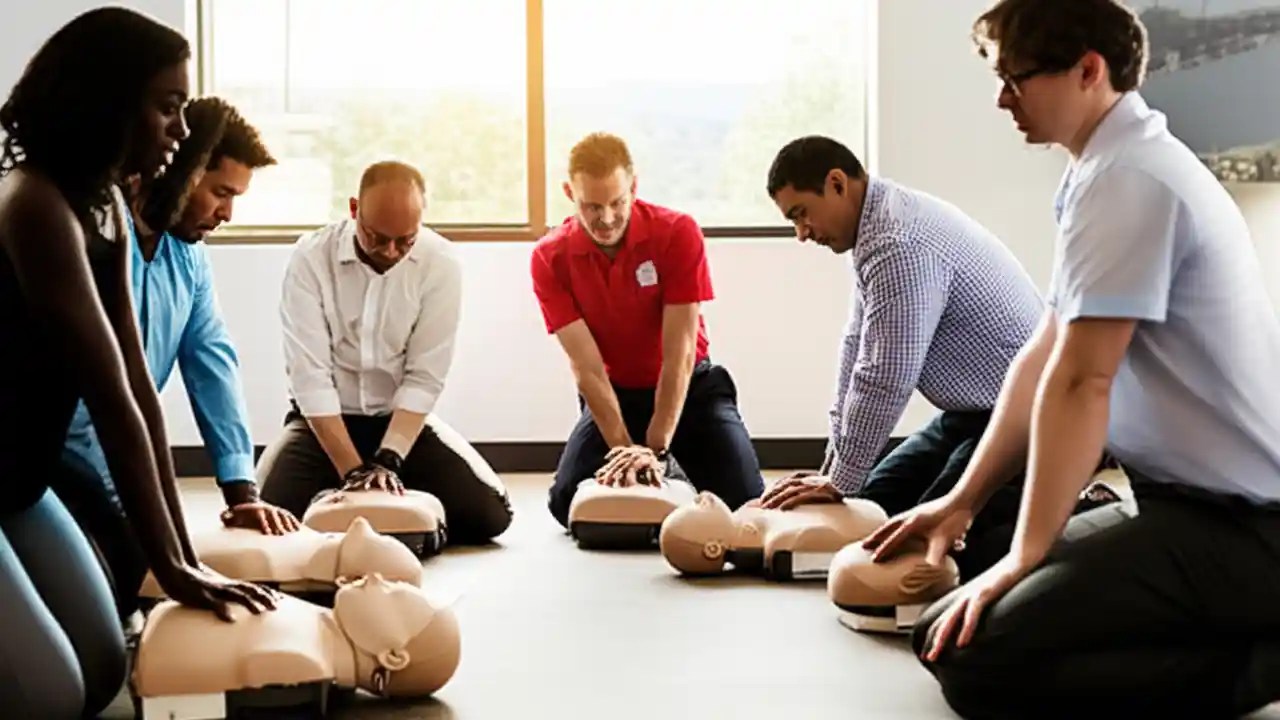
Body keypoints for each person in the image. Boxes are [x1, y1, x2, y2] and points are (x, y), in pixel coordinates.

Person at [861, 1, 1280, 717]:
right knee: (942, 629)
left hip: (1247, 531)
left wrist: (1026, 555)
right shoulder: (1104, 169)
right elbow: (1042, 356)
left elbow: (1083, 381)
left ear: (1089, 70)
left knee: (972, 658)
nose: (1002, 99)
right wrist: (961, 501)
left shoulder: (1132, 180)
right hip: (1177, 506)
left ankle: (1262, 662)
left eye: (1016, 80)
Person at [0, 8, 276, 718]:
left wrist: (184, 557)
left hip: (20, 483)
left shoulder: (105, 210)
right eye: (168, 107)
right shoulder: (32, 205)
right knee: (52, 696)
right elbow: (109, 398)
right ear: (107, 99)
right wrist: (170, 568)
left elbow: (138, 395)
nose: (180, 133)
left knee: (101, 669)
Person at [55, 95, 298, 623]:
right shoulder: (92, 227)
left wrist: (240, 488)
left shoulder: (190, 257)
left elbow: (212, 360)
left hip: (119, 457)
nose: (227, 213)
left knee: (144, 565)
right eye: (220, 192)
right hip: (51, 455)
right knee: (123, 575)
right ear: (183, 170)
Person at [258, 160, 513, 543]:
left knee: (491, 514)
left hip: (399, 426)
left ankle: (390, 498)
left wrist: (388, 459)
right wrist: (355, 474)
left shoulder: (440, 262)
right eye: (378, 238)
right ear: (353, 210)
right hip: (322, 426)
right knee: (266, 511)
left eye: (405, 240)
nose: (392, 252)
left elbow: (425, 375)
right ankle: (352, 494)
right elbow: (310, 379)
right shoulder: (310, 258)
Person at [531, 132, 765, 527]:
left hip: (691, 388)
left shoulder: (677, 232)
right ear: (570, 192)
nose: (606, 219)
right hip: (615, 395)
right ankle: (668, 476)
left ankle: (672, 467)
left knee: (745, 502)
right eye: (591, 206)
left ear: (634, 187)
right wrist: (626, 453)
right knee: (565, 503)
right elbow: (586, 368)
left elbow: (681, 352)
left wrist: (653, 450)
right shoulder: (549, 257)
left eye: (617, 203)